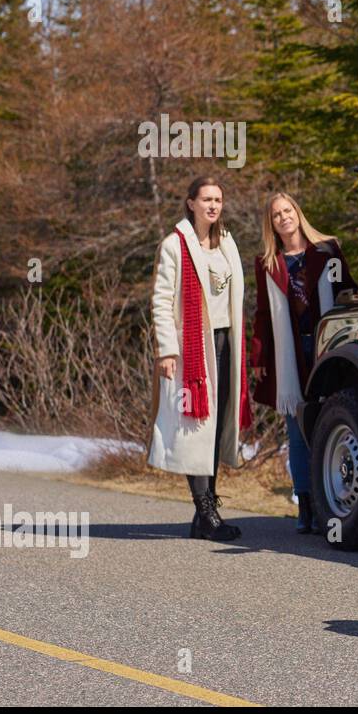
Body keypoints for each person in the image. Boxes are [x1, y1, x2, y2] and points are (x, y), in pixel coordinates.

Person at [148, 175, 252, 541]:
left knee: (217, 424)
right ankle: (206, 512)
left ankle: (203, 514)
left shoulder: (227, 243)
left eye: (218, 200)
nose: (212, 205)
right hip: (192, 349)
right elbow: (161, 301)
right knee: (196, 428)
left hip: (225, 342)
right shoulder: (174, 246)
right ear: (190, 203)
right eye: (206, 199)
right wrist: (166, 350)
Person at [249, 192, 357, 533]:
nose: (283, 217)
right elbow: (264, 314)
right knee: (297, 432)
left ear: (298, 212)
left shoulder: (327, 251)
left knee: (330, 424)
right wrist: (259, 356)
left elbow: (348, 290)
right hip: (291, 353)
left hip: (328, 350)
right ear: (271, 224)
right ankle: (306, 506)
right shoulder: (268, 263)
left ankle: (333, 502)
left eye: (287, 210)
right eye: (276, 214)